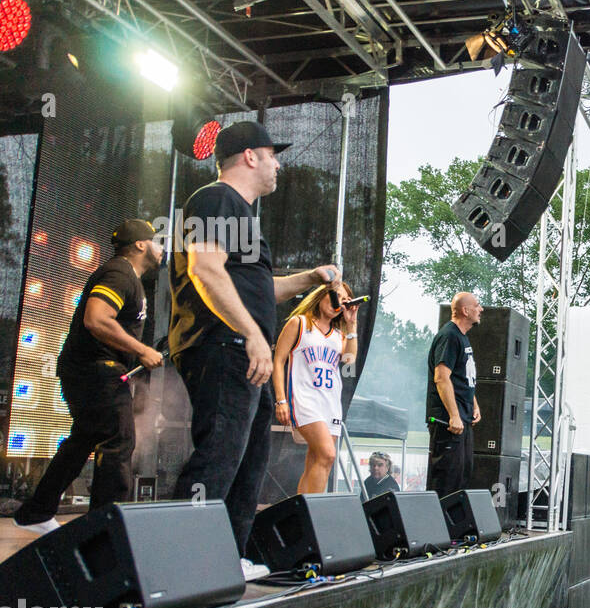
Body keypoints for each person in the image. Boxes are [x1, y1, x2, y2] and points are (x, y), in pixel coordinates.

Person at [169, 120, 339, 557]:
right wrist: (252, 334)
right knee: (220, 455)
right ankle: (180, 560)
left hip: (246, 352)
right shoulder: (214, 198)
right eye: (272, 155)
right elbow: (204, 269)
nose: (278, 164)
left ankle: (229, 557)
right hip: (224, 345)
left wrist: (310, 279)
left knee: (249, 461)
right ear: (250, 156)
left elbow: (262, 287)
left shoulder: (241, 214)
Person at [13, 220, 165, 534]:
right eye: (157, 241)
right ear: (140, 244)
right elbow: (96, 319)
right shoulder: (119, 273)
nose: (162, 248)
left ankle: (36, 512)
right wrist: (140, 350)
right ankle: (102, 530)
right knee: (118, 442)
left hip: (88, 369)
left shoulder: (127, 277)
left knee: (83, 439)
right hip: (97, 370)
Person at [272, 280, 359, 494]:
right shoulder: (299, 323)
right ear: (322, 295)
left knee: (318, 461)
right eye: (336, 296)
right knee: (327, 454)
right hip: (304, 398)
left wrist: (351, 325)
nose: (339, 302)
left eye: (345, 301)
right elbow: (278, 360)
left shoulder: (338, 335)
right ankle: (313, 513)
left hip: (329, 402)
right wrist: (281, 399)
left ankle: (300, 514)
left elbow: (349, 360)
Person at [426, 291, 483, 498]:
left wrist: (474, 404)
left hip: (463, 417)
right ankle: (437, 527)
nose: (481, 309)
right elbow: (441, 377)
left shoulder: (462, 337)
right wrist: (454, 415)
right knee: (446, 479)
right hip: (448, 421)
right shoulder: (449, 335)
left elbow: (463, 377)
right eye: (477, 305)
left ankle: (453, 527)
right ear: (465, 311)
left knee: (461, 474)